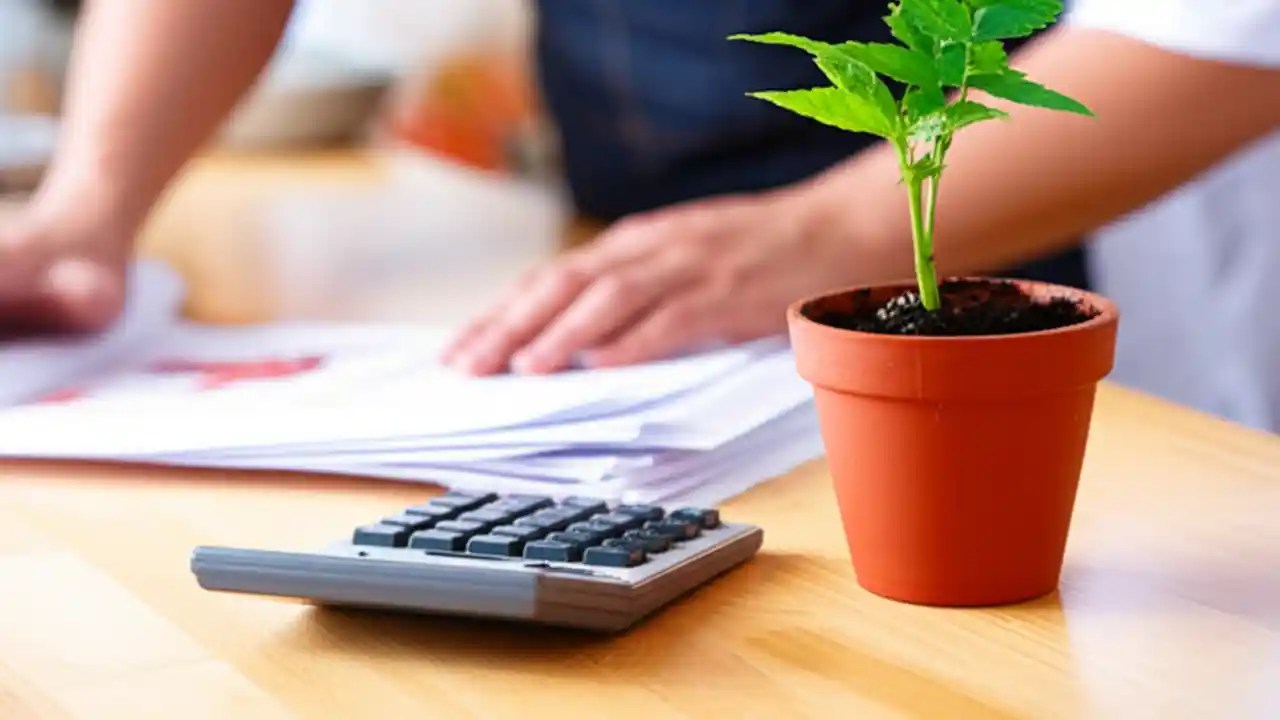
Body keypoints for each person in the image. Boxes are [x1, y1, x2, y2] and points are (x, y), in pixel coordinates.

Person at [3, 2, 1279, 428]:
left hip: (1084, 280)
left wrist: (821, 232)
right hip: (662, 310)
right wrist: (89, 209)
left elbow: (1223, 26)